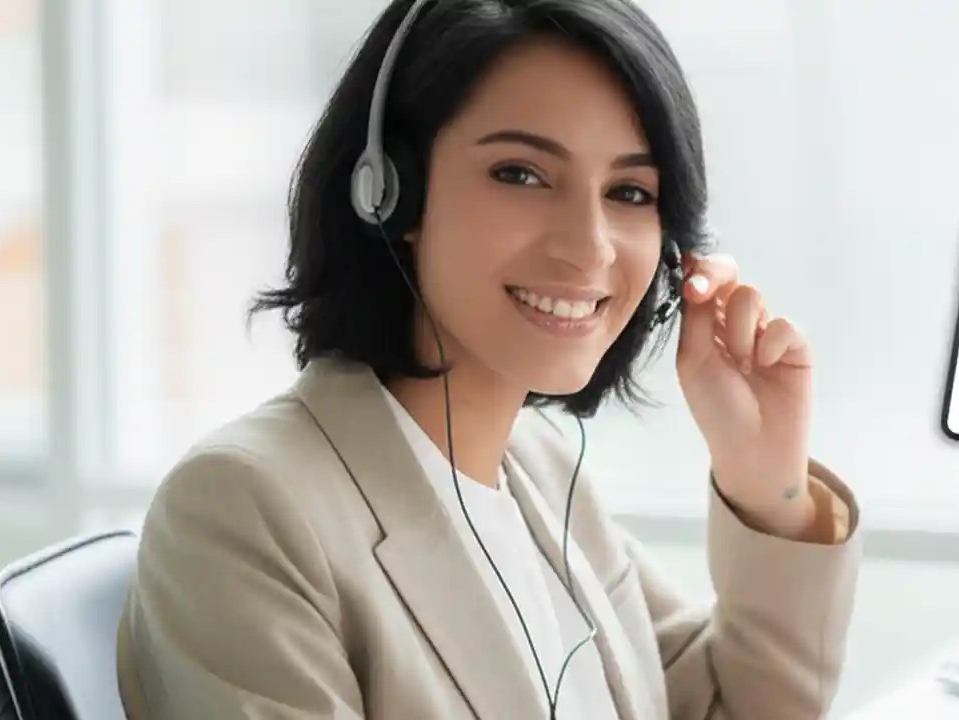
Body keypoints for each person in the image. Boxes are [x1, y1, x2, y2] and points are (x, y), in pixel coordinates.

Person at [114, 1, 862, 718]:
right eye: (522, 174)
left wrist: (767, 485)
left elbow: (736, 707)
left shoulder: (534, 470)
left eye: (630, 191)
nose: (591, 246)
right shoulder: (246, 507)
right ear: (390, 195)